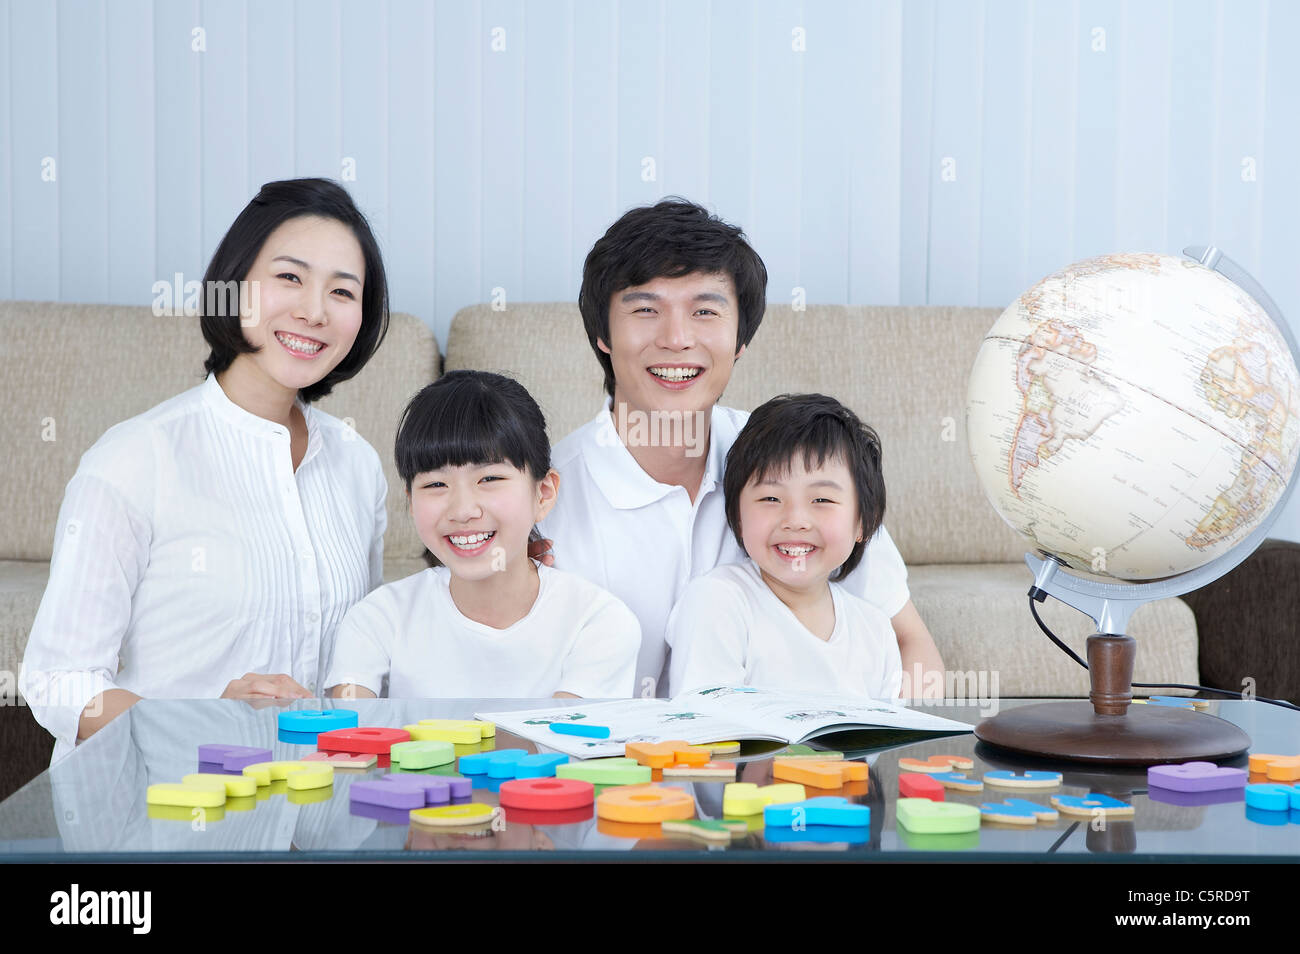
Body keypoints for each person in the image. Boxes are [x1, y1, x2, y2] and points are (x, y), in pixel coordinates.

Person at [20, 178, 391, 761]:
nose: (315, 311)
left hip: (312, 812)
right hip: (162, 814)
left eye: (343, 292)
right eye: (289, 277)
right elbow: (58, 680)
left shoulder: (358, 465)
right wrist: (194, 724)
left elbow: (363, 655)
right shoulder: (137, 458)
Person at [536, 197, 944, 696]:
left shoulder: (795, 457)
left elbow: (911, 647)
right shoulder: (542, 496)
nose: (677, 338)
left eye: (705, 311)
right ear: (603, 333)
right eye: (645, 309)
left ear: (740, 340)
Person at [324, 371, 640, 700]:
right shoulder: (378, 618)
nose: (462, 510)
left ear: (543, 494)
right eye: (435, 484)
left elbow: (559, 743)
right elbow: (346, 739)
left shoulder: (597, 621)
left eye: (489, 479)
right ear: (411, 502)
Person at [665, 394, 902, 698]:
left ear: (863, 523)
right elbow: (706, 727)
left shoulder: (875, 631)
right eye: (771, 499)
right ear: (738, 517)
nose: (795, 520)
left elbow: (884, 737)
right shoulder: (716, 603)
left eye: (822, 500)